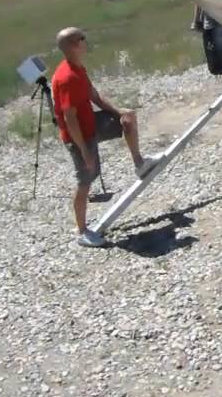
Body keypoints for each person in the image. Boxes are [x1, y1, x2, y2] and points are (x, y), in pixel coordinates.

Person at [52, 26, 161, 247]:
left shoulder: (78, 67)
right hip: (78, 136)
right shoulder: (67, 77)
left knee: (128, 119)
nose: (86, 41)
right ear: (73, 45)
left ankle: (139, 164)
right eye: (82, 38)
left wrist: (118, 112)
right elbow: (69, 118)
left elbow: (93, 95)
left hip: (92, 125)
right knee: (85, 180)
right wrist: (84, 151)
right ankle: (82, 231)